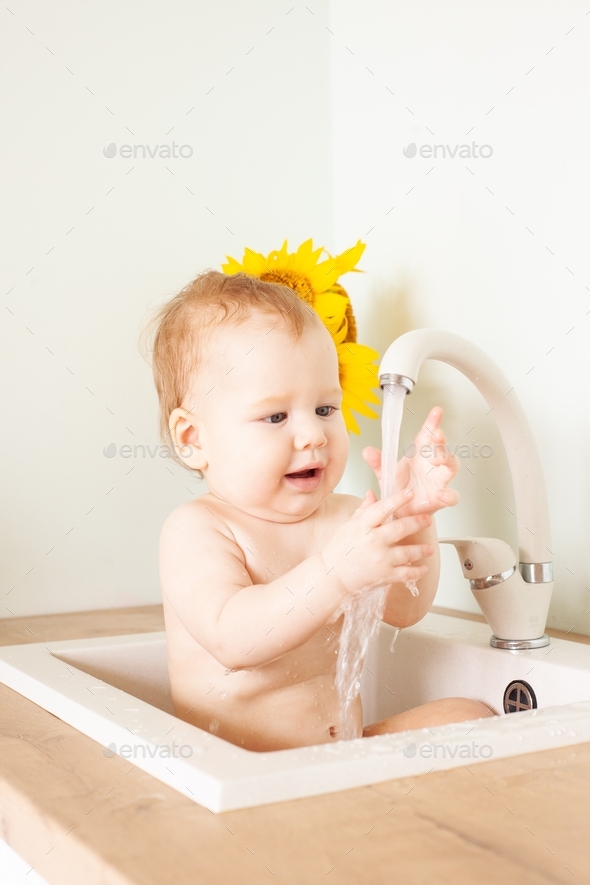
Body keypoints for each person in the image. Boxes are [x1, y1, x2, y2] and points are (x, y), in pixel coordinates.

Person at [142, 270, 494, 752]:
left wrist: (414, 520)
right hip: (248, 775)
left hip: (339, 758)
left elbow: (405, 608)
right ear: (193, 438)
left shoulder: (346, 520)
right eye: (276, 416)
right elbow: (233, 639)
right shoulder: (198, 529)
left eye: (326, 409)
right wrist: (334, 572)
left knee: (474, 718)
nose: (313, 435)